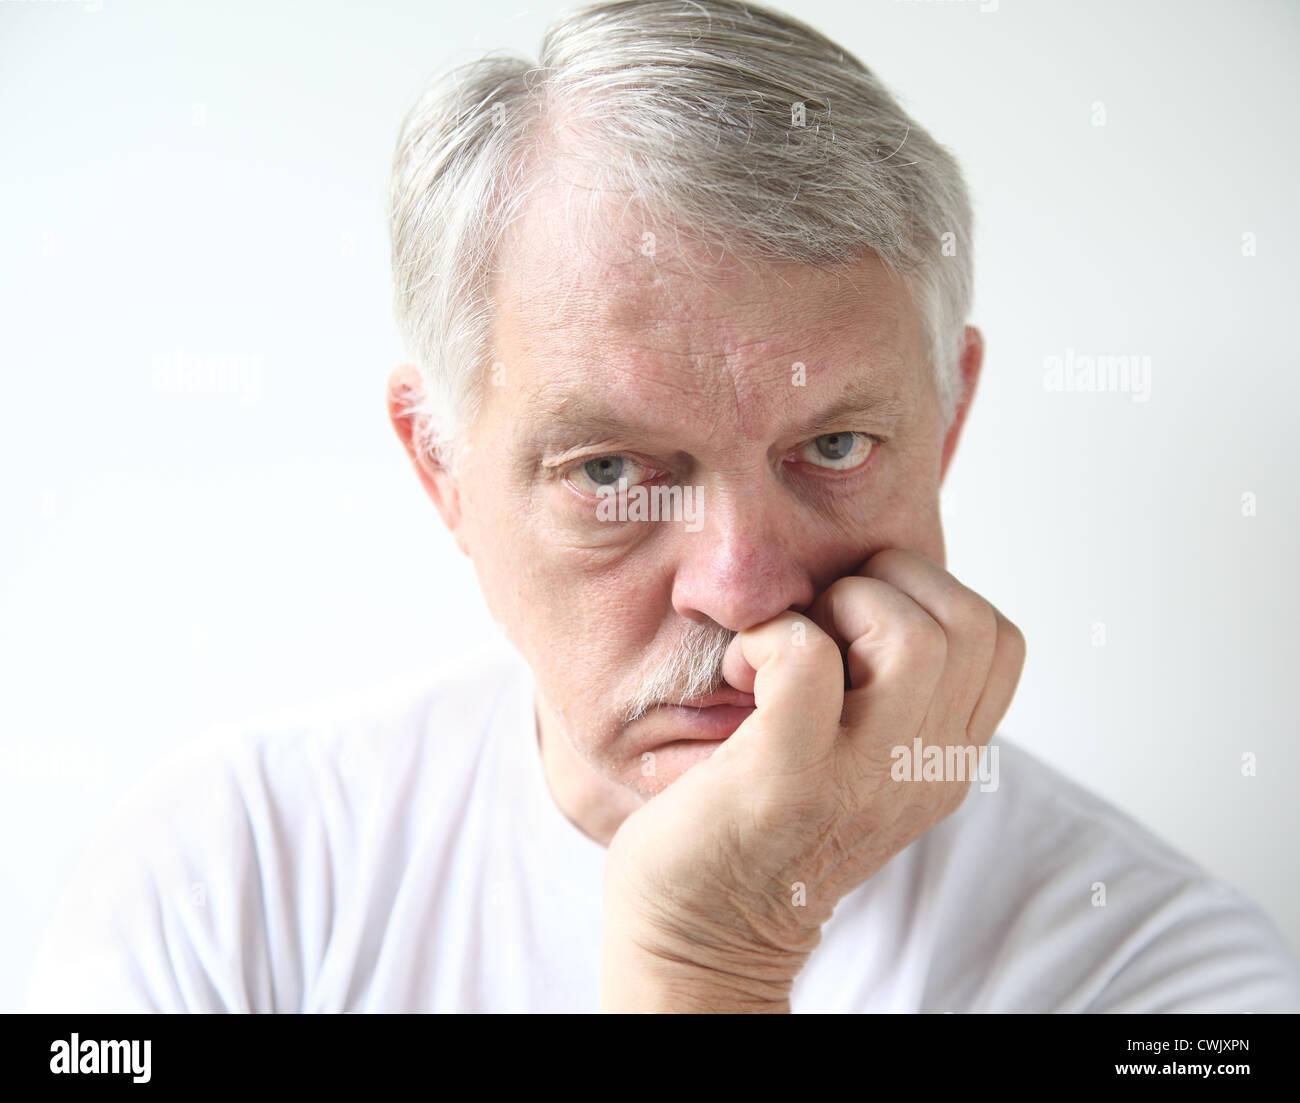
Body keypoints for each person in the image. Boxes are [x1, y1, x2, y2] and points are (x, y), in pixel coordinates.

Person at [25, 0, 1300, 1013]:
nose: (744, 587)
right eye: (610, 471)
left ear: (948, 422)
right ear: (443, 469)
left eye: (836, 444)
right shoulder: (227, 874)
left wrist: (711, 957)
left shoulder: (1161, 975)